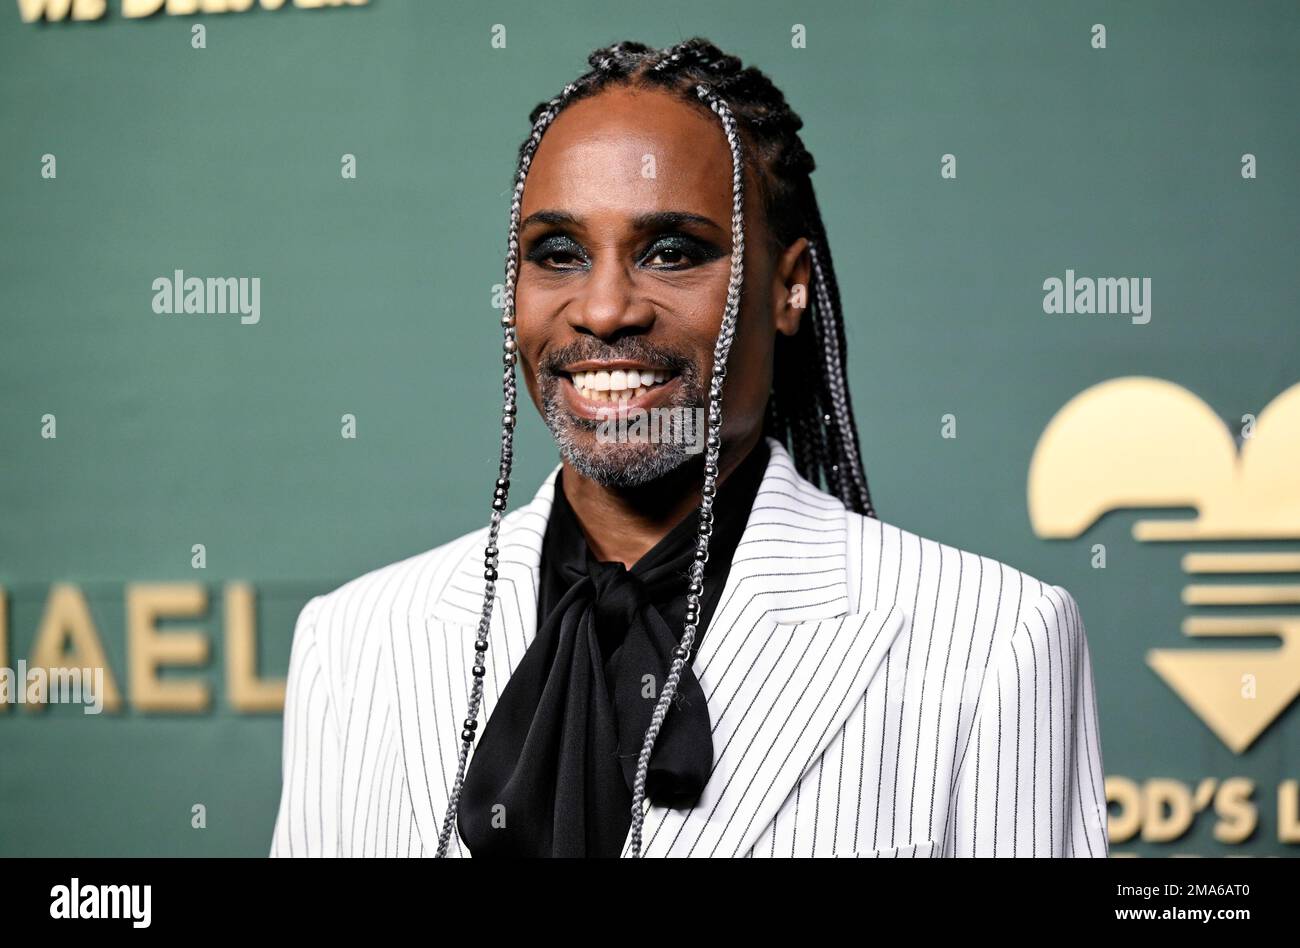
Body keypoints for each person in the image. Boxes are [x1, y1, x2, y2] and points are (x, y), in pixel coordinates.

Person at [270, 38, 1107, 858]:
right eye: (557, 254)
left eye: (673, 252)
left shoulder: (995, 641)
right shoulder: (354, 642)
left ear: (791, 287)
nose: (604, 311)